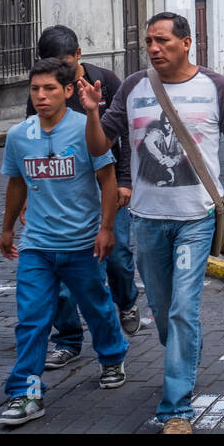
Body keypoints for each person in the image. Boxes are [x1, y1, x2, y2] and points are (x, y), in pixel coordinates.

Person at [80, 12, 224, 434]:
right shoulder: (133, 87)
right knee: (161, 310)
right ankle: (184, 354)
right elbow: (100, 146)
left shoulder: (217, 87)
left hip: (195, 219)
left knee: (182, 309)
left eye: (162, 41)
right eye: (149, 42)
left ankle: (176, 409)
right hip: (146, 219)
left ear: (187, 43)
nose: (154, 49)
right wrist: (91, 112)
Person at [0, 58, 128, 426]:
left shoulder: (86, 128)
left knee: (98, 308)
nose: (41, 95)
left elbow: (107, 177)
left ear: (68, 90)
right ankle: (25, 393)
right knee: (33, 320)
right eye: (35, 89)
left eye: (50, 88)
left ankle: (113, 356)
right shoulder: (19, 135)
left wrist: (106, 228)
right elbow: (17, 182)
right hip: (37, 244)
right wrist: (7, 227)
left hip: (82, 243)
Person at [25, 26, 141, 376]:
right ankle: (68, 340)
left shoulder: (105, 80)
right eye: (51, 65)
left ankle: (127, 302)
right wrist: (33, 196)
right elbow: (32, 144)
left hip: (107, 186)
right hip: (62, 193)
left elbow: (126, 136)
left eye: (65, 63)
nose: (55, 75)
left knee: (118, 254)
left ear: (78, 54)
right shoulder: (42, 92)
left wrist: (124, 181)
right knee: (59, 278)